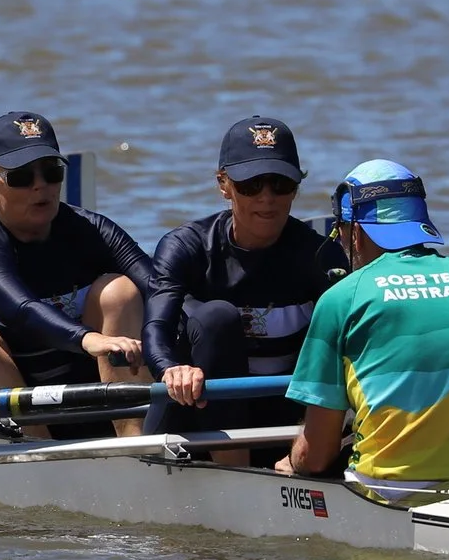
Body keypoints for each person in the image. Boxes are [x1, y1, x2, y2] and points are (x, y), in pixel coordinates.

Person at [278, 161, 449, 499]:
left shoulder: (342, 298)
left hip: (389, 494)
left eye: (340, 230)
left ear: (354, 232)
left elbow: (315, 458)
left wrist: (291, 462)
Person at [0, 111, 157, 436]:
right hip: (20, 409)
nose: (40, 185)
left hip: (90, 397)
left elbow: (159, 288)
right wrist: (88, 338)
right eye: (22, 177)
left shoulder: (91, 229)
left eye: (51, 172)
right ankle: (32, 457)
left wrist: (199, 328)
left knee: (119, 291)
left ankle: (137, 443)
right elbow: (23, 311)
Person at [143, 116, 347, 457]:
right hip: (195, 424)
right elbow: (155, 329)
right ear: (224, 185)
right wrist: (169, 370)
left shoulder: (320, 255)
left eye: (280, 183)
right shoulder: (185, 247)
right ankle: (234, 473)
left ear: (296, 187)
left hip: (283, 423)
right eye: (251, 184)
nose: (267, 197)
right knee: (217, 317)